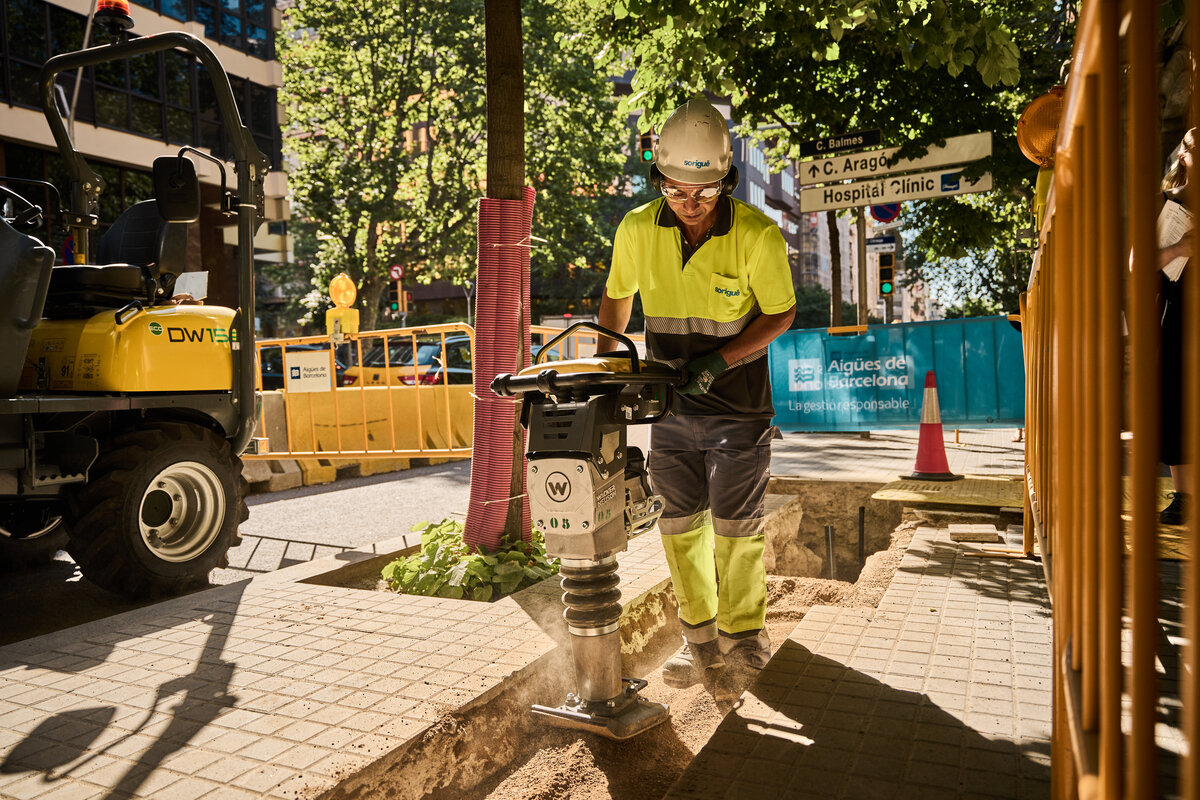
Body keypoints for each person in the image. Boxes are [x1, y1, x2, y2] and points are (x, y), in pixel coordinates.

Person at [597, 96, 796, 693]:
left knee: (736, 529)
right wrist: (611, 366)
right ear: (661, 178)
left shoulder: (757, 236)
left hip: (738, 408)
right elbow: (616, 301)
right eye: (676, 190)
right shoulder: (636, 228)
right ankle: (699, 640)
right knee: (679, 527)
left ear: (725, 182)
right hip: (670, 410)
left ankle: (745, 640)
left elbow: (780, 314)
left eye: (703, 193)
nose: (689, 204)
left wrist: (720, 360)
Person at [1156, 128, 1194, 525]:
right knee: (1177, 401)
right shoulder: (1168, 204)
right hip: (1179, 312)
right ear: (1183, 158)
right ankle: (1184, 497)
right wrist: (1182, 248)